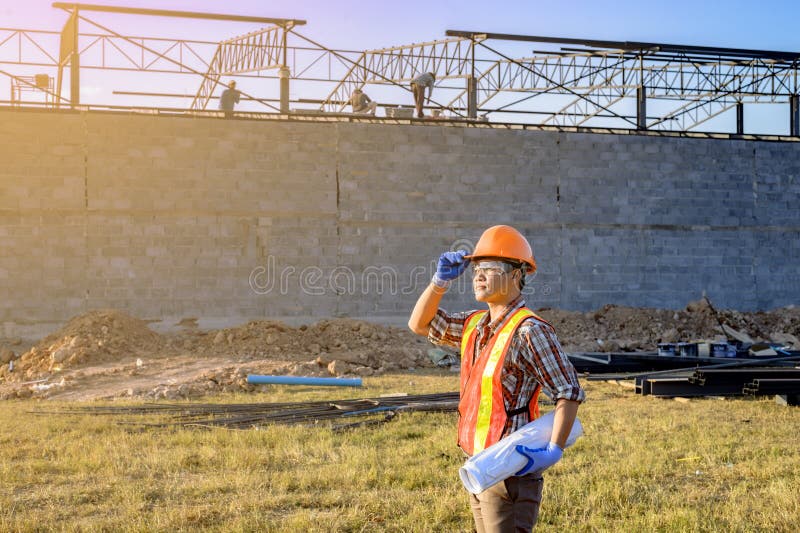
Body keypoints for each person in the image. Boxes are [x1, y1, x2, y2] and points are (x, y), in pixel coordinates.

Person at [408, 225, 585, 532]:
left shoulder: (530, 330)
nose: (478, 275)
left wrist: (553, 449)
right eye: (476, 268)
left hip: (511, 470)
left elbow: (568, 390)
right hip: (479, 466)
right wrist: (438, 283)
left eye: (489, 268)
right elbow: (419, 324)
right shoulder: (475, 324)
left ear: (516, 275)